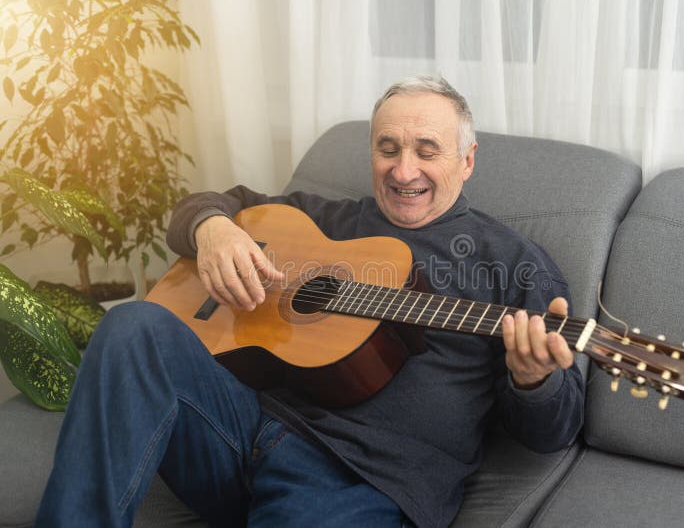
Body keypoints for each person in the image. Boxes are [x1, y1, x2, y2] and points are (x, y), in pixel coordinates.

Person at [36, 76, 584, 528]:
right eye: (387, 148)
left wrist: (533, 379)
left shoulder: (514, 263)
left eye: (427, 151)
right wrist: (212, 229)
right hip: (238, 428)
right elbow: (206, 207)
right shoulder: (321, 218)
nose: (403, 170)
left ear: (467, 160)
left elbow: (554, 432)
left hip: (360, 480)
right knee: (132, 325)